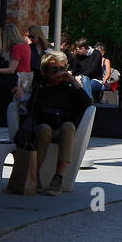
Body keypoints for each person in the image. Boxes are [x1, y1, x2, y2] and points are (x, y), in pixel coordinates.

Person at [19, 50, 92, 195]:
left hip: (61, 130)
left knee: (69, 127)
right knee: (45, 129)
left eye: (62, 69)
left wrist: (73, 83)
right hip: (41, 129)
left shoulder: (68, 88)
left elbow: (87, 103)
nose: (59, 73)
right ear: (46, 72)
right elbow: (31, 110)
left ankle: (58, 177)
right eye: (54, 70)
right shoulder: (40, 88)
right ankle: (36, 175)